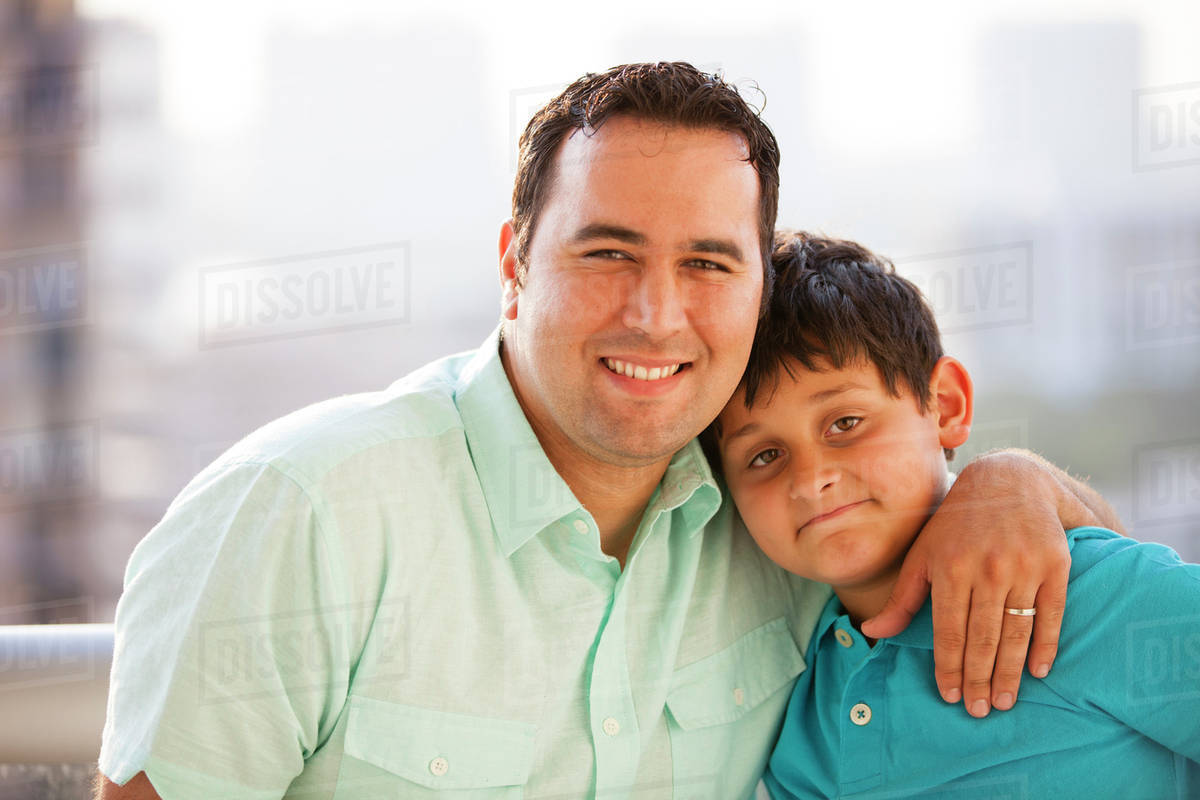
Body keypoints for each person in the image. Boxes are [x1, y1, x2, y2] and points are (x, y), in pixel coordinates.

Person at [96, 63, 1123, 800]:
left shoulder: (780, 511)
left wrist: (1008, 478)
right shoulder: (303, 512)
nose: (655, 313)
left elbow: (1017, 552)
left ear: (758, 288)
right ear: (514, 261)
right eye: (607, 253)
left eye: (710, 264)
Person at [712, 230, 1200, 798]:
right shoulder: (800, 700)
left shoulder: (1086, 593)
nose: (810, 477)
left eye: (845, 423)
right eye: (764, 456)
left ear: (944, 405)